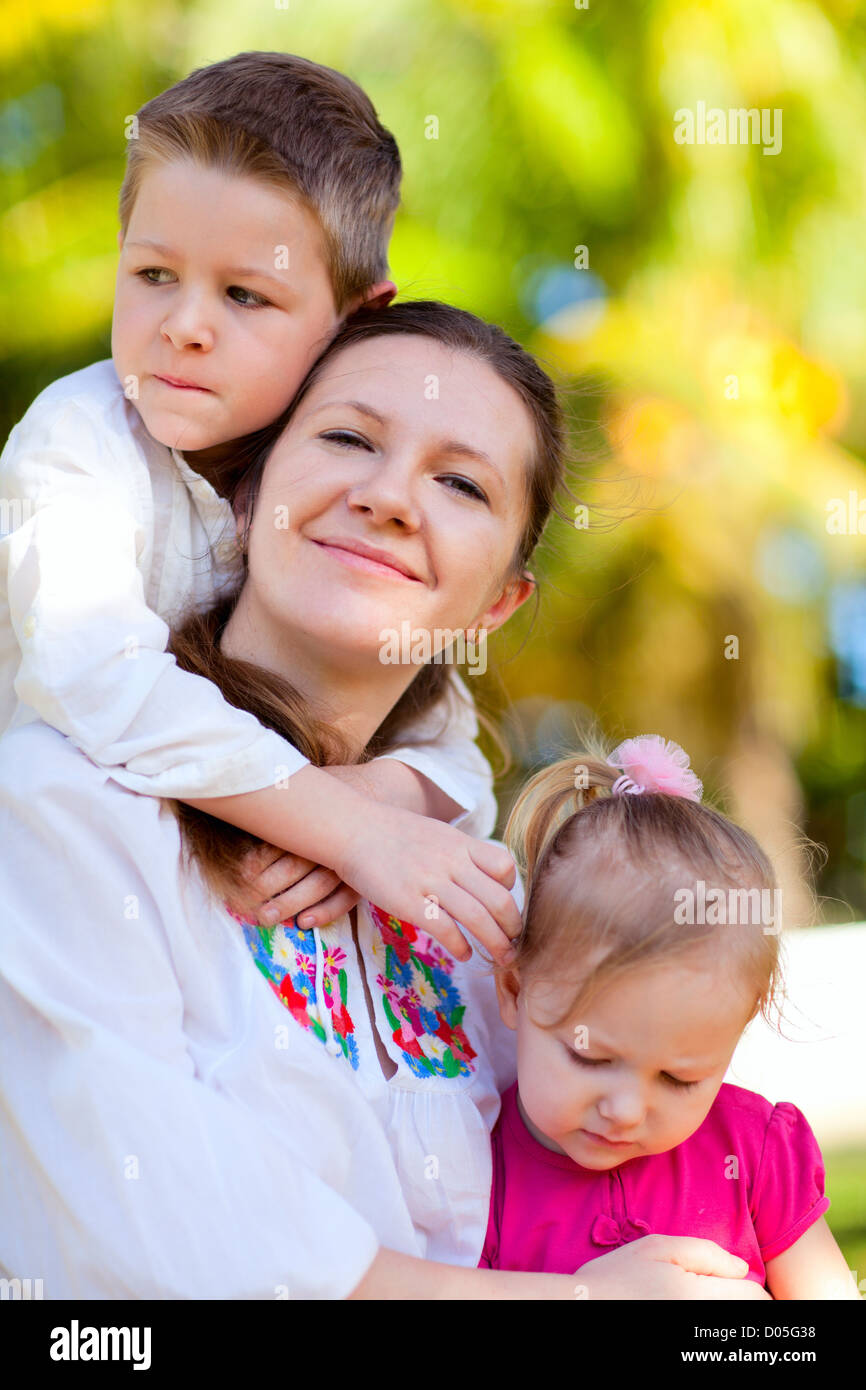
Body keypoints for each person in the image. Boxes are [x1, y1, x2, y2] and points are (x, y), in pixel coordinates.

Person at [0, 305, 766, 1300]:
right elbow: (159, 1243)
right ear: (246, 494)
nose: (390, 496)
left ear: (498, 602)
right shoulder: (64, 807)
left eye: (459, 483)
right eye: (348, 437)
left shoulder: (470, 886)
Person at [0, 51, 519, 962]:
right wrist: (340, 828)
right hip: (48, 880)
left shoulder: (324, 483)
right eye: (154, 274)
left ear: (356, 320)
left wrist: (385, 803)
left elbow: (453, 745)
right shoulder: (80, 441)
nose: (184, 325)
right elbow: (100, 680)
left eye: (245, 294)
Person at [480, 735, 859, 1298]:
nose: (626, 1111)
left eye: (679, 1078)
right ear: (514, 988)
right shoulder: (476, 1175)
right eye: (590, 1056)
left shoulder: (753, 1153)